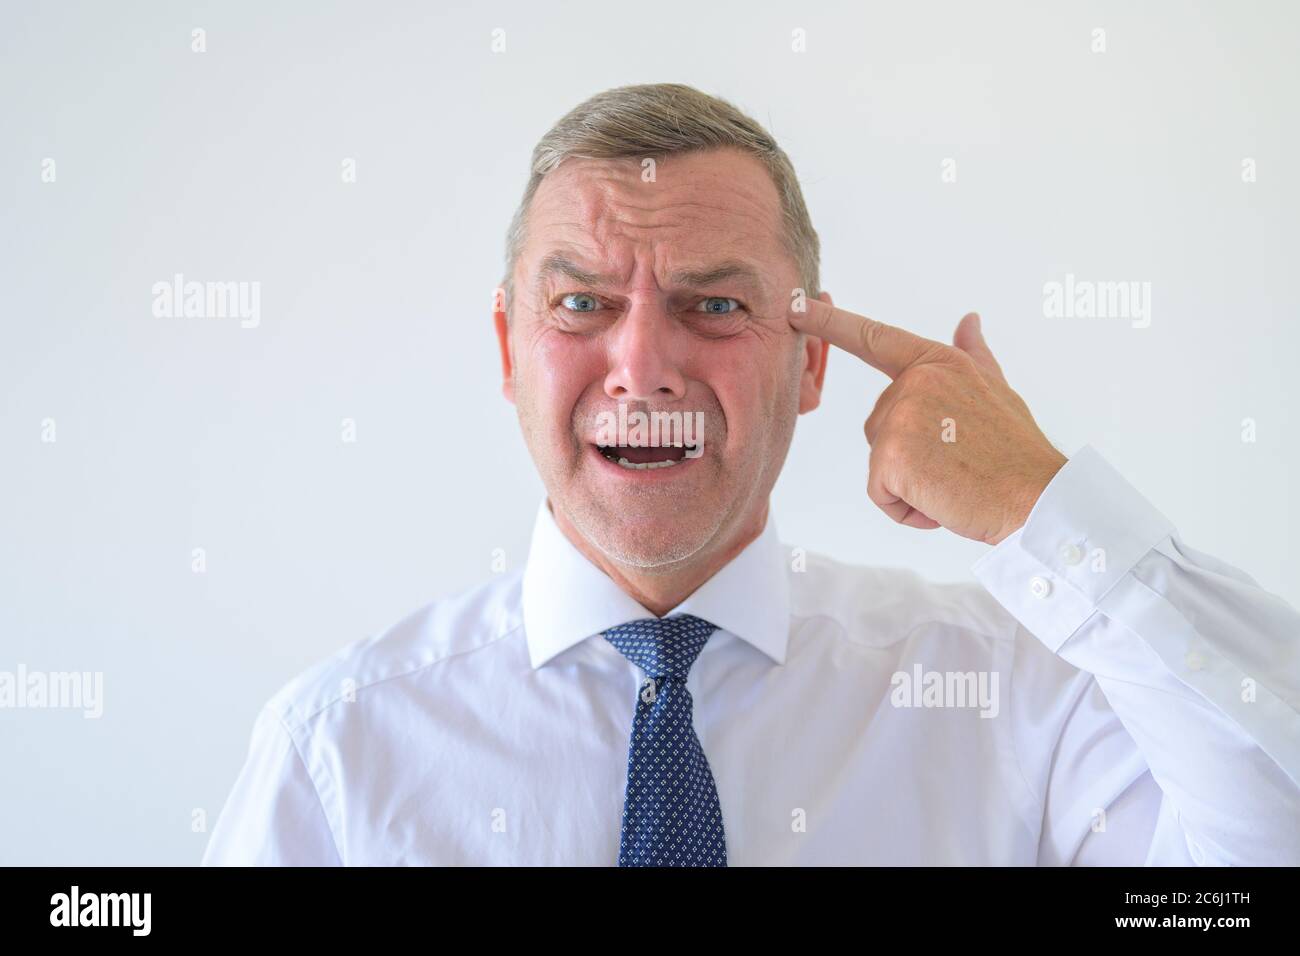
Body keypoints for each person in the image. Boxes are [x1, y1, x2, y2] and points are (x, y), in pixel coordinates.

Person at [202, 83, 1300, 866]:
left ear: (809, 361)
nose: (642, 364)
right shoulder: (336, 753)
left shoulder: (1016, 697)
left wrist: (1042, 506)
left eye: (716, 304)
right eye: (581, 303)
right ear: (507, 348)